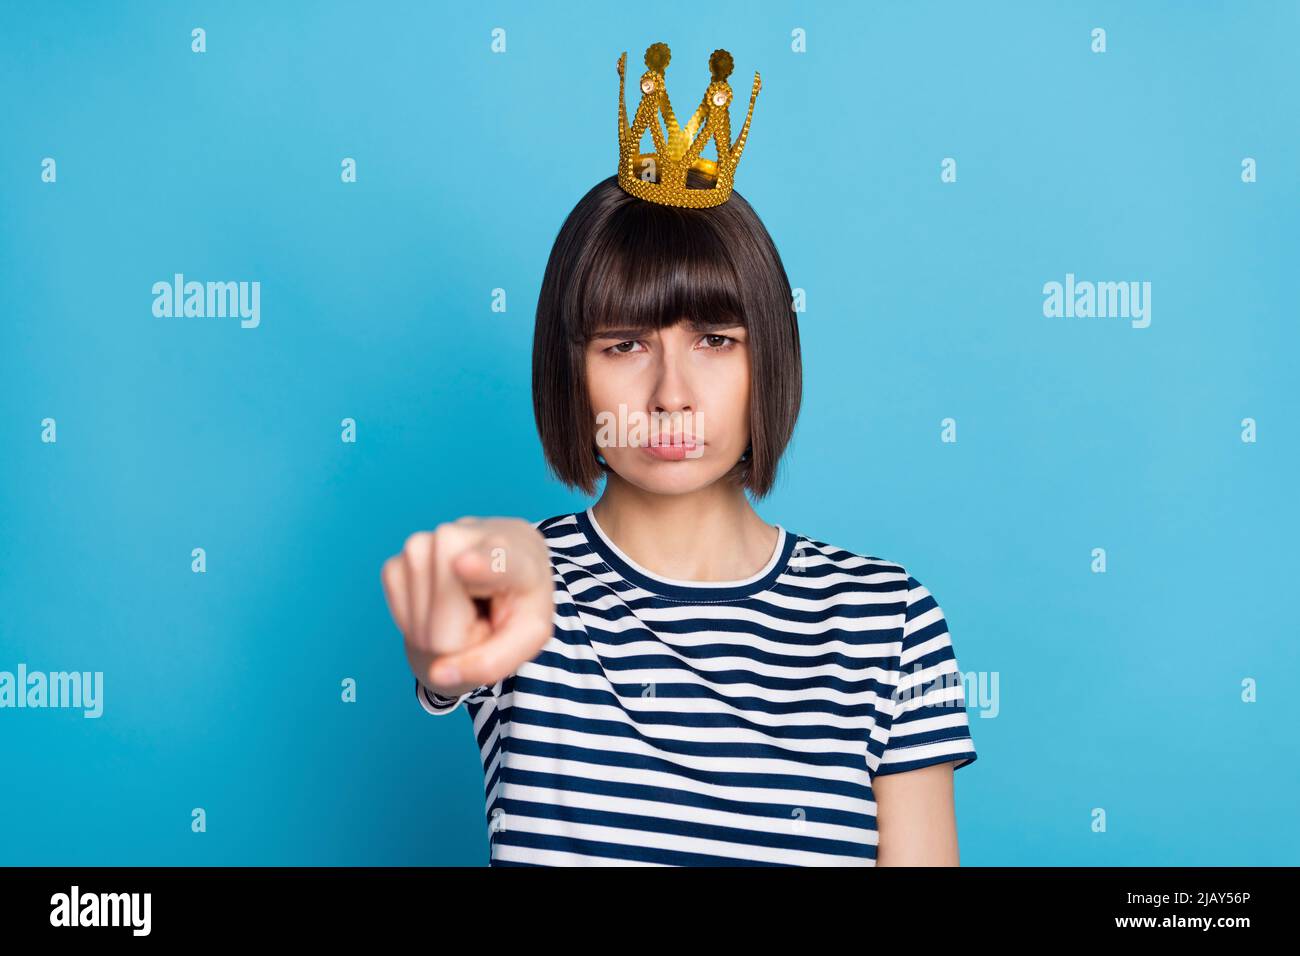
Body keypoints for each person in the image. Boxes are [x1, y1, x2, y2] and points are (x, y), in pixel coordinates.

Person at [381, 43, 977, 866]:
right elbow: (454, 633)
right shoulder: (524, 600)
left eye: (715, 340)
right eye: (624, 345)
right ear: (571, 369)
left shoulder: (889, 621)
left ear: (769, 357)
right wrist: (469, 588)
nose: (670, 394)